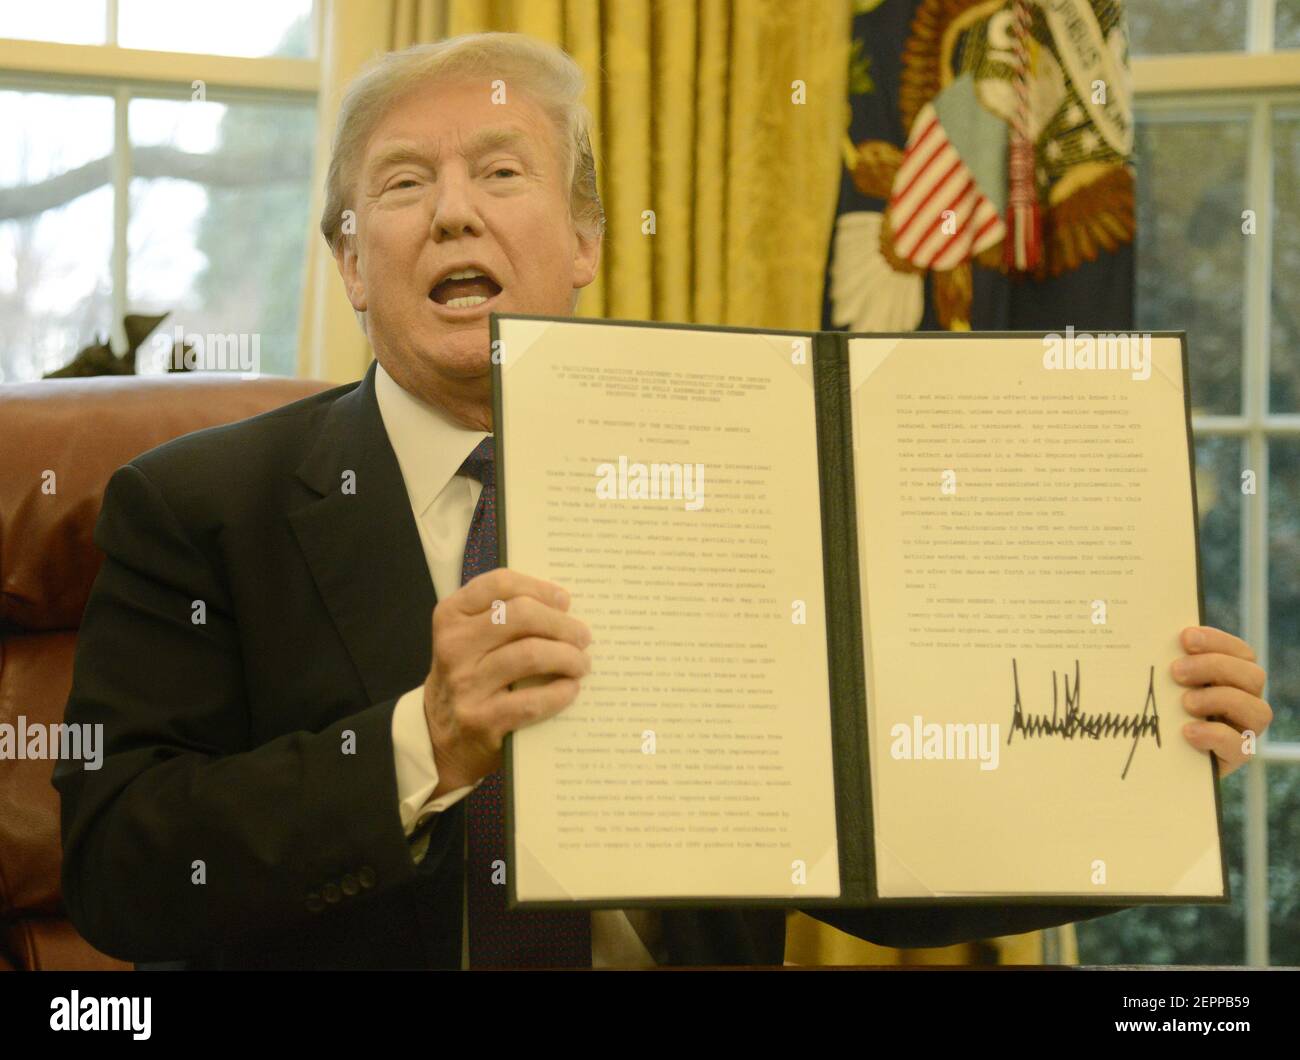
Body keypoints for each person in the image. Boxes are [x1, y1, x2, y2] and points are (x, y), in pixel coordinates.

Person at [53, 32, 1273, 970]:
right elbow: (121, 864)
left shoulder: (746, 480)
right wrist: (427, 740)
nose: (457, 210)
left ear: (584, 239)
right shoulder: (195, 504)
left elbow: (881, 843)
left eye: (500, 171)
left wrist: (1138, 766)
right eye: (404, 182)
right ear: (348, 261)